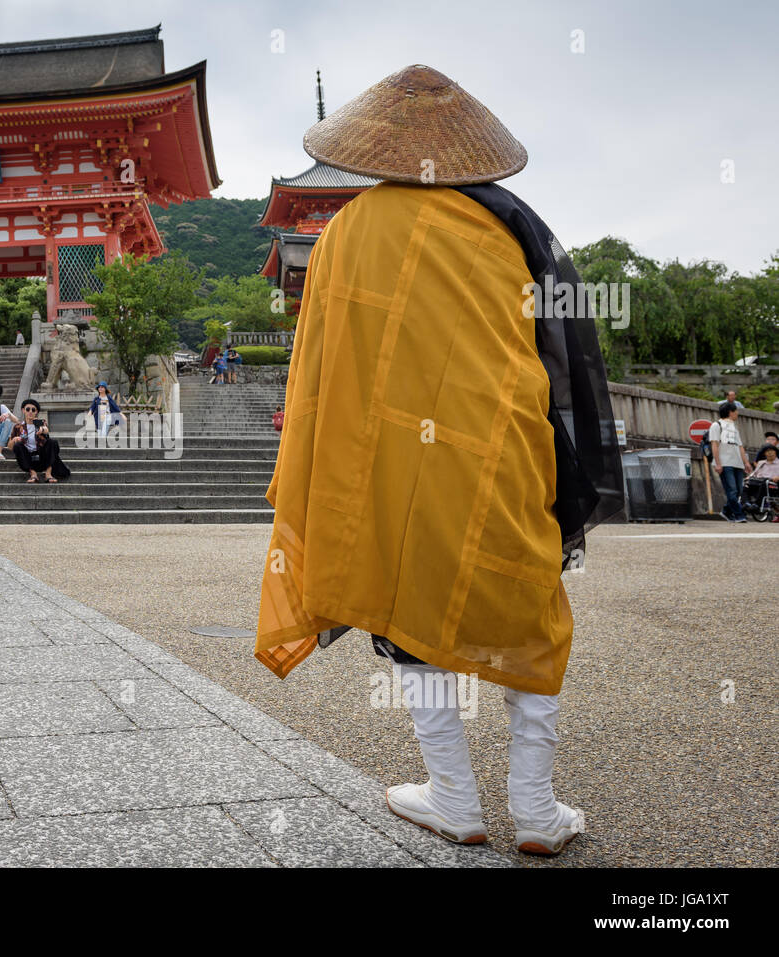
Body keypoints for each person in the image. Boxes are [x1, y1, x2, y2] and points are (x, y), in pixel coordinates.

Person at [254, 66, 623, 857]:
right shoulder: (508, 224)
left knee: (409, 602)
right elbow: (553, 352)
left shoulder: (343, 234)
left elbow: (318, 370)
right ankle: (535, 806)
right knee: (530, 603)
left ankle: (454, 794)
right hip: (502, 447)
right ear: (465, 152)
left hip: (386, 455)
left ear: (371, 150)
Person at [7, 398, 70, 483]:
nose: (30, 412)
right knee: (18, 446)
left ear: (36, 412)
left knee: (52, 442)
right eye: (28, 409)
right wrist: (14, 440)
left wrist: (42, 430)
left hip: (43, 458)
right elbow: (10, 447)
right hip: (28, 460)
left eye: (33, 410)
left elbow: (45, 429)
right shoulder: (18, 427)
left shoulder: (40, 423)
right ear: (23, 410)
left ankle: (48, 474)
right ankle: (33, 474)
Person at [710, 401, 750, 522]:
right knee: (731, 489)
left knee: (738, 490)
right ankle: (739, 515)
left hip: (737, 462)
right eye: (736, 411)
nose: (737, 413)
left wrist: (746, 462)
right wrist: (718, 463)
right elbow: (714, 445)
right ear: (730, 412)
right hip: (725, 462)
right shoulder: (716, 425)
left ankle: (726, 511)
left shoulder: (734, 427)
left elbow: (740, 446)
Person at [744, 444, 779, 521]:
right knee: (746, 484)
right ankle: (746, 503)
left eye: (771, 450)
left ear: (775, 452)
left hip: (773, 486)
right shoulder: (761, 463)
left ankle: (757, 505)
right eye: (767, 451)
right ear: (764, 454)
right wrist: (749, 477)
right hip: (759, 483)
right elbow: (754, 473)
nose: (769, 453)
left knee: (765, 483)